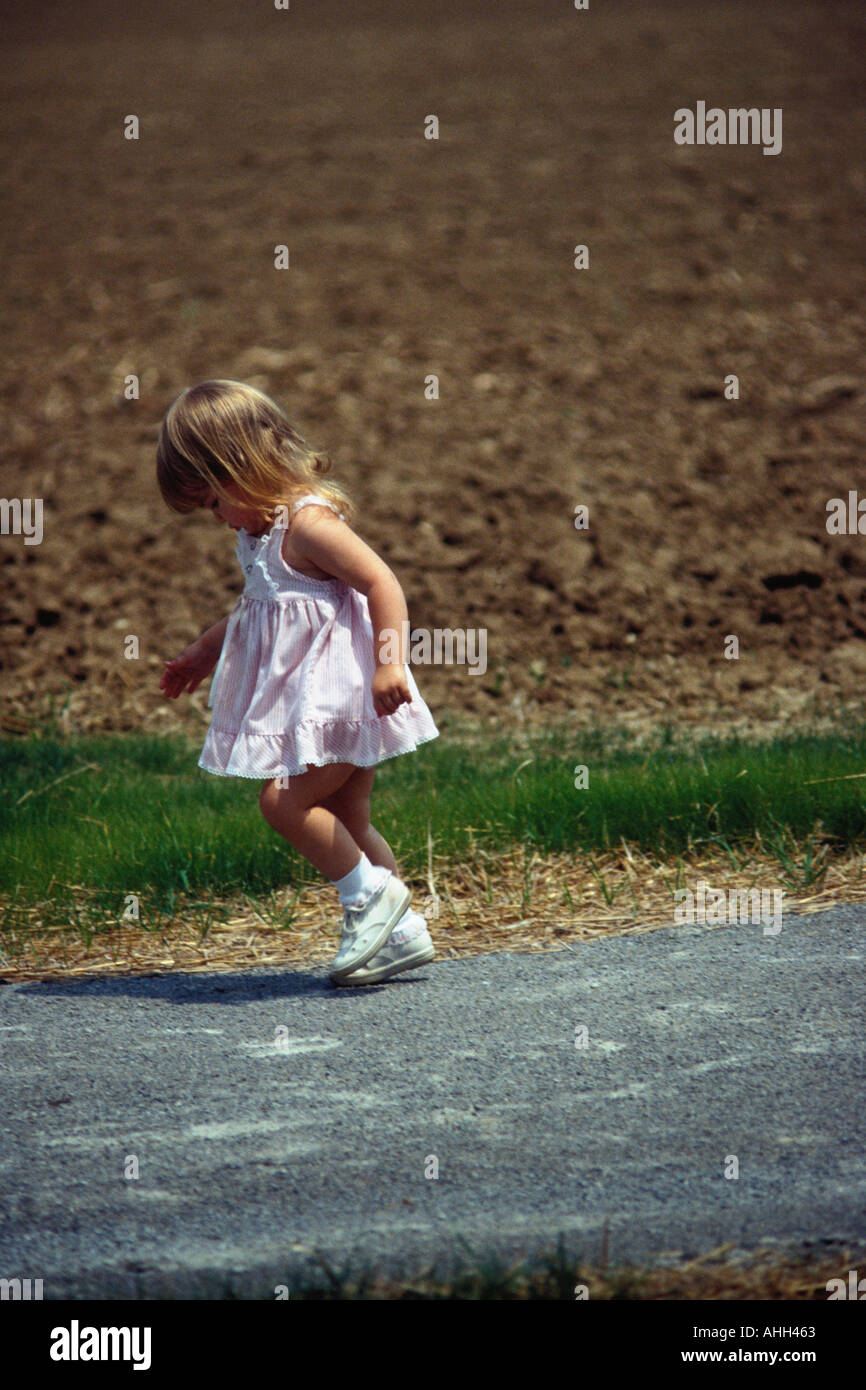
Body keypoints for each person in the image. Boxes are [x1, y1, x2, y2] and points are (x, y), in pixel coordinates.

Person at [156, 379, 439, 985]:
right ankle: (404, 934)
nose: (215, 518)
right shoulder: (256, 536)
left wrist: (391, 663)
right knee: (351, 821)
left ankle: (368, 899)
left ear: (242, 468)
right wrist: (202, 655)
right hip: (326, 702)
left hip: (346, 697)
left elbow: (383, 583)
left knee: (282, 801)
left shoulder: (307, 525)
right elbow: (253, 607)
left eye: (211, 503)